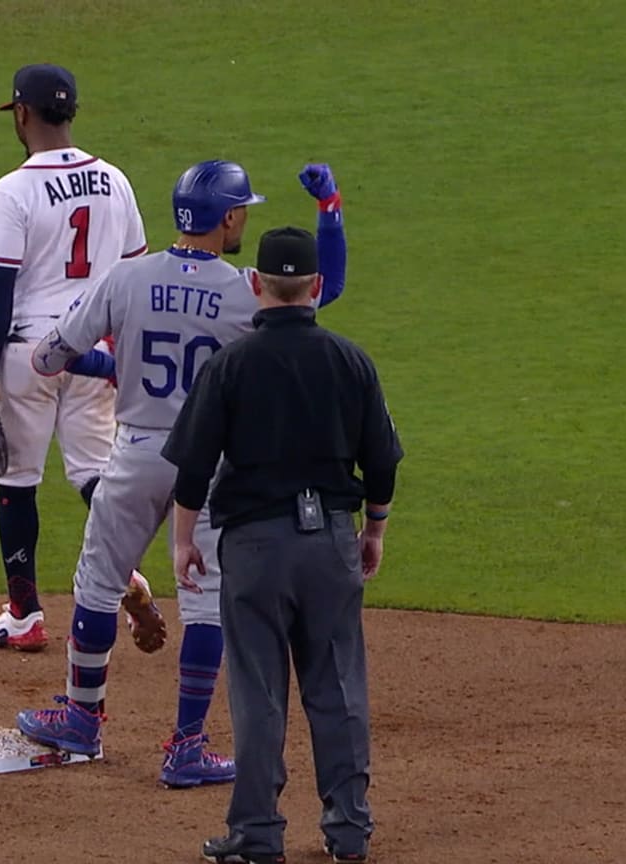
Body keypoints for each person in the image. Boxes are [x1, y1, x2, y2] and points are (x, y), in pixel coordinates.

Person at [12, 161, 349, 788]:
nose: (244, 217)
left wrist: (114, 367)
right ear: (226, 219)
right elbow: (322, 290)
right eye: (241, 209)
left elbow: (48, 355)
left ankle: (82, 722)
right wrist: (329, 207)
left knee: (98, 582)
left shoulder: (128, 277)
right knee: (203, 599)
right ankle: (186, 747)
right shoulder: (247, 289)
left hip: (136, 451)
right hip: (214, 466)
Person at [162, 226, 402, 864]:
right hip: (328, 542)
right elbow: (382, 460)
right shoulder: (351, 361)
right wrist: (373, 528)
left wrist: (184, 540)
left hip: (255, 550)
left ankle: (258, 835)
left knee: (259, 690)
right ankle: (348, 832)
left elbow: (193, 466)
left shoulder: (232, 364)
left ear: (256, 284)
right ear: (317, 287)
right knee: (338, 686)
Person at [0, 63, 148, 652]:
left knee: (16, 481)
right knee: (95, 475)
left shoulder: (11, 191)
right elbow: (137, 268)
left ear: (21, 114)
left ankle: (24, 615)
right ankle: (126, 578)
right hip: (98, 353)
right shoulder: (115, 180)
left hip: (31, 356)